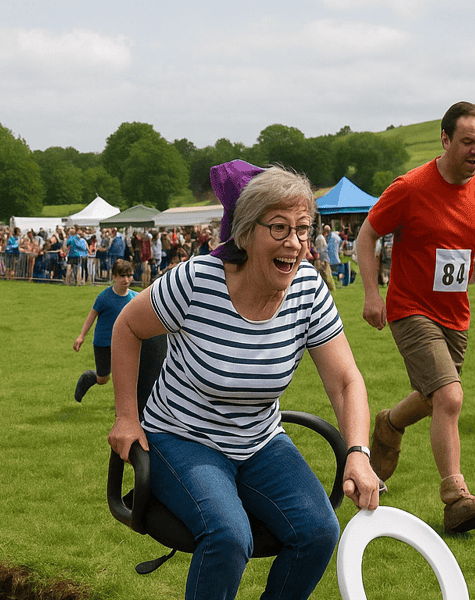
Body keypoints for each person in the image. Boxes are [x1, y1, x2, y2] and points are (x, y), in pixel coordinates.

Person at [108, 161, 378, 600]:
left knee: (318, 532)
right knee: (228, 536)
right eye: (279, 228)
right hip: (181, 436)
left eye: (303, 229)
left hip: (258, 439)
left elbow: (346, 380)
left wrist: (358, 454)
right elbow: (127, 327)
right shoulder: (197, 282)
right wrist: (125, 416)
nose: (294, 243)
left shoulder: (307, 288)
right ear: (246, 233)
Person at [355, 101, 475, 534]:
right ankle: (455, 496)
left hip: (455, 314)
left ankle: (390, 424)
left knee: (433, 396)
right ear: (445, 140)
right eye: (467, 141)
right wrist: (373, 294)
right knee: (450, 396)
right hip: (410, 308)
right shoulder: (410, 187)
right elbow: (366, 236)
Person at [72, 260, 136, 402]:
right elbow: (92, 315)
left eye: (129, 276)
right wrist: (82, 336)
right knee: (103, 378)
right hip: (103, 343)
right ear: (114, 277)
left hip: (123, 343)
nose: (126, 280)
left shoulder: (135, 298)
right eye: (122, 276)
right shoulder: (104, 297)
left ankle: (126, 407)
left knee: (125, 375)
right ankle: (89, 377)